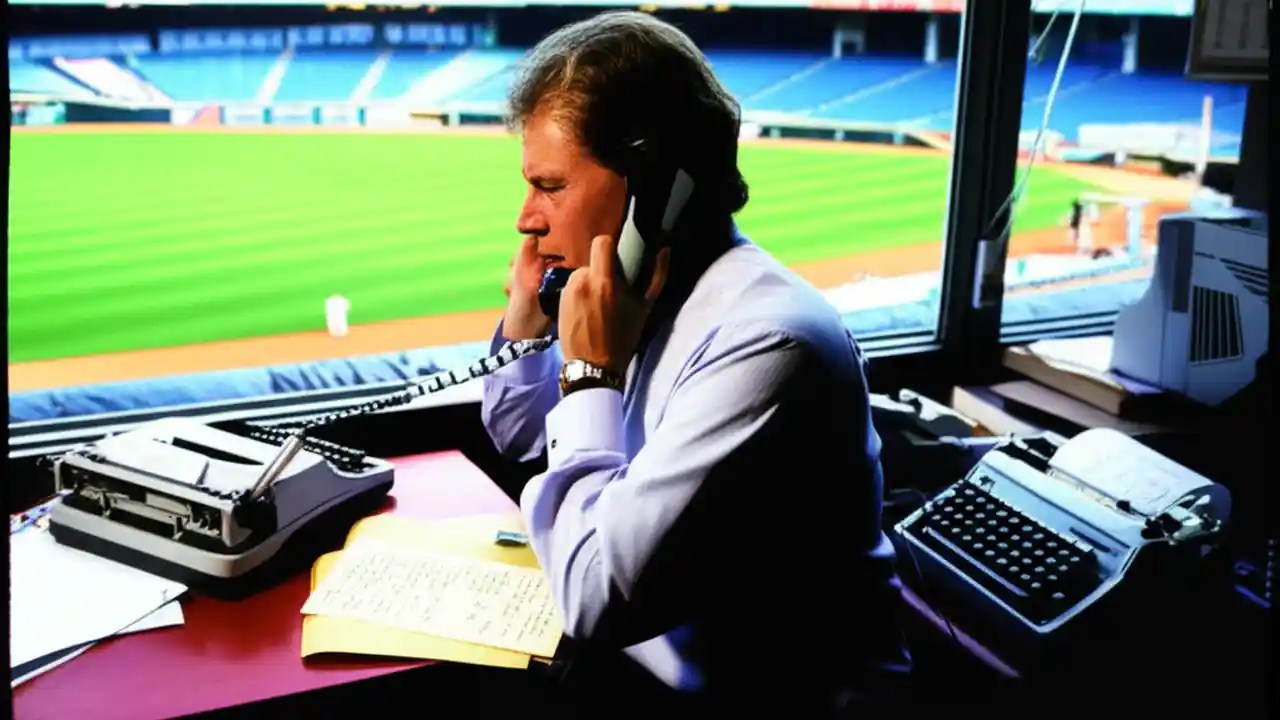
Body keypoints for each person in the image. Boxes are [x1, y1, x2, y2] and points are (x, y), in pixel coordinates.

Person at [480, 11, 911, 714]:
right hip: (646, 672)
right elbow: (524, 438)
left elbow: (596, 598)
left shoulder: (769, 344)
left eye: (551, 186)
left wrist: (591, 374)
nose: (527, 217)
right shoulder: (645, 292)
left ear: (654, 190)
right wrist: (528, 327)